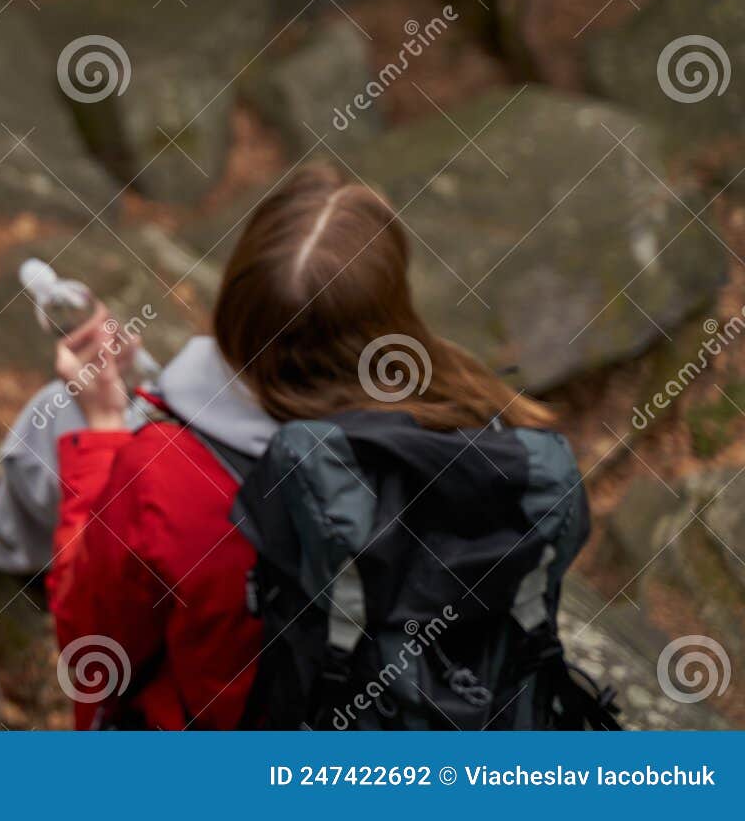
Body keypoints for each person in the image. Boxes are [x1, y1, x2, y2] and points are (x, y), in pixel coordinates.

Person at [43, 166, 581, 729]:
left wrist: (103, 431)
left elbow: (92, 647)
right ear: (392, 312)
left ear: (235, 305)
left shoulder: (167, 476)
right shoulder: (480, 424)